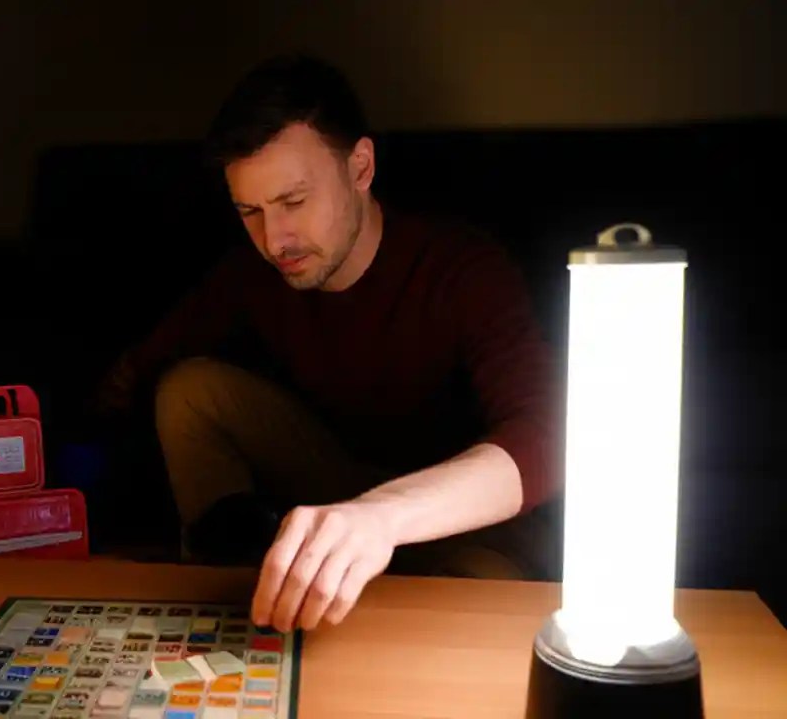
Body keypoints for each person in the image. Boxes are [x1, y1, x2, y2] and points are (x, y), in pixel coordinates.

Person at [98, 55, 560, 632]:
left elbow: (546, 438)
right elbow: (149, 362)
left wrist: (381, 518)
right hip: (336, 498)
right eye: (251, 211)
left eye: (293, 202)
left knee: (477, 607)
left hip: (459, 527)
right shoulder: (255, 274)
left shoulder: (463, 270)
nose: (275, 238)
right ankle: (242, 599)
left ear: (360, 167)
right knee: (191, 390)